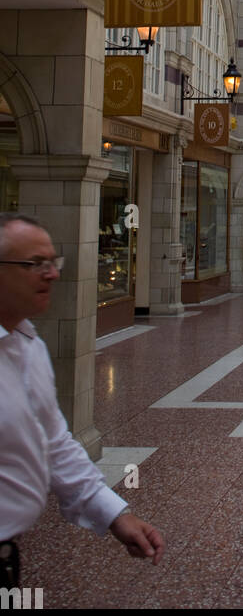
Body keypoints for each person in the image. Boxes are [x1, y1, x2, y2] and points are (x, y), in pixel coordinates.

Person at [0, 213, 165, 590]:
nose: (52, 273)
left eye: (52, 262)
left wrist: (115, 515)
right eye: (34, 264)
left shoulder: (28, 345)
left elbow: (54, 442)